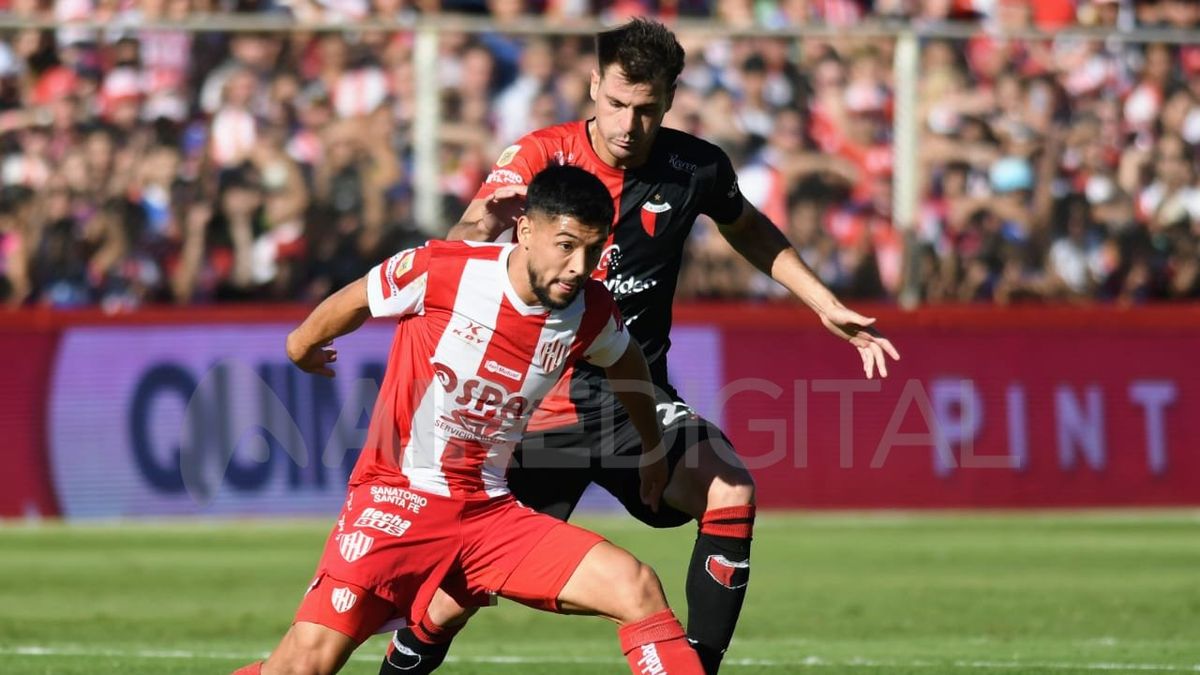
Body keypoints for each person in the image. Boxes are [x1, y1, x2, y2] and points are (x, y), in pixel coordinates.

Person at [379, 18, 902, 675]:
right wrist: (484, 222)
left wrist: (824, 303)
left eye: (646, 110)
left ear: (670, 102)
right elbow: (461, 241)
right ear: (595, 87)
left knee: (732, 489)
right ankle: (403, 658)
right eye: (617, 104)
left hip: (635, 403)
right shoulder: (540, 156)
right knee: (455, 595)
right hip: (531, 413)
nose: (628, 125)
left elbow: (751, 229)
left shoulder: (695, 168)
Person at [230, 165, 706, 675]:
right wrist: (301, 344)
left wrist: (653, 451)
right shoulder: (443, 270)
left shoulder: (589, 311)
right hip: (398, 499)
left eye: (592, 252)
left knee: (637, 586)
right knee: (304, 666)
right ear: (526, 231)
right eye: (566, 246)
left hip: (489, 515)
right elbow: (358, 298)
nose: (577, 267)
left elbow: (627, 361)